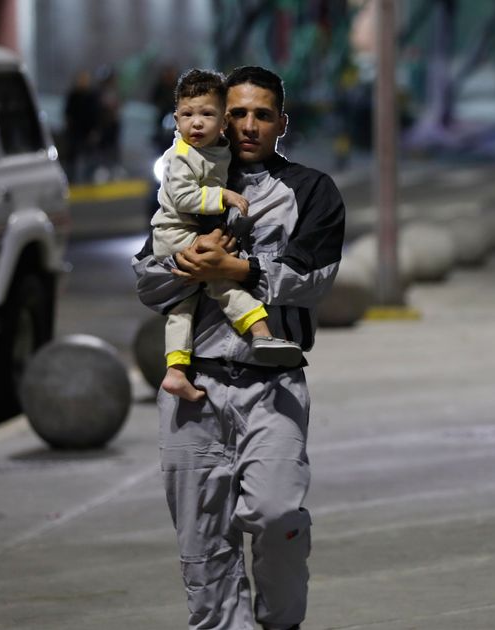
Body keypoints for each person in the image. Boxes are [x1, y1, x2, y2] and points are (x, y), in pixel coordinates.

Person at [132, 65, 345, 630]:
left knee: (276, 516)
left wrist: (240, 267)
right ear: (221, 118)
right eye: (238, 114)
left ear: (281, 123)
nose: (248, 125)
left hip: (271, 384)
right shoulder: (185, 183)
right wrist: (186, 262)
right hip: (192, 391)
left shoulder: (310, 190)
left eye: (262, 115)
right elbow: (147, 282)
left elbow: (317, 276)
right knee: (202, 547)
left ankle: (281, 623)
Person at [149, 68, 303, 402]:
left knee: (182, 306)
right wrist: (224, 197)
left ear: (221, 124)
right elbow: (183, 199)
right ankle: (261, 331)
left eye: (207, 114)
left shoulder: (218, 149)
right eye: (187, 115)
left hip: (185, 233)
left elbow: (310, 276)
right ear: (175, 120)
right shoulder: (181, 156)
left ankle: (175, 371)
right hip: (177, 234)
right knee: (221, 282)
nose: (197, 123)